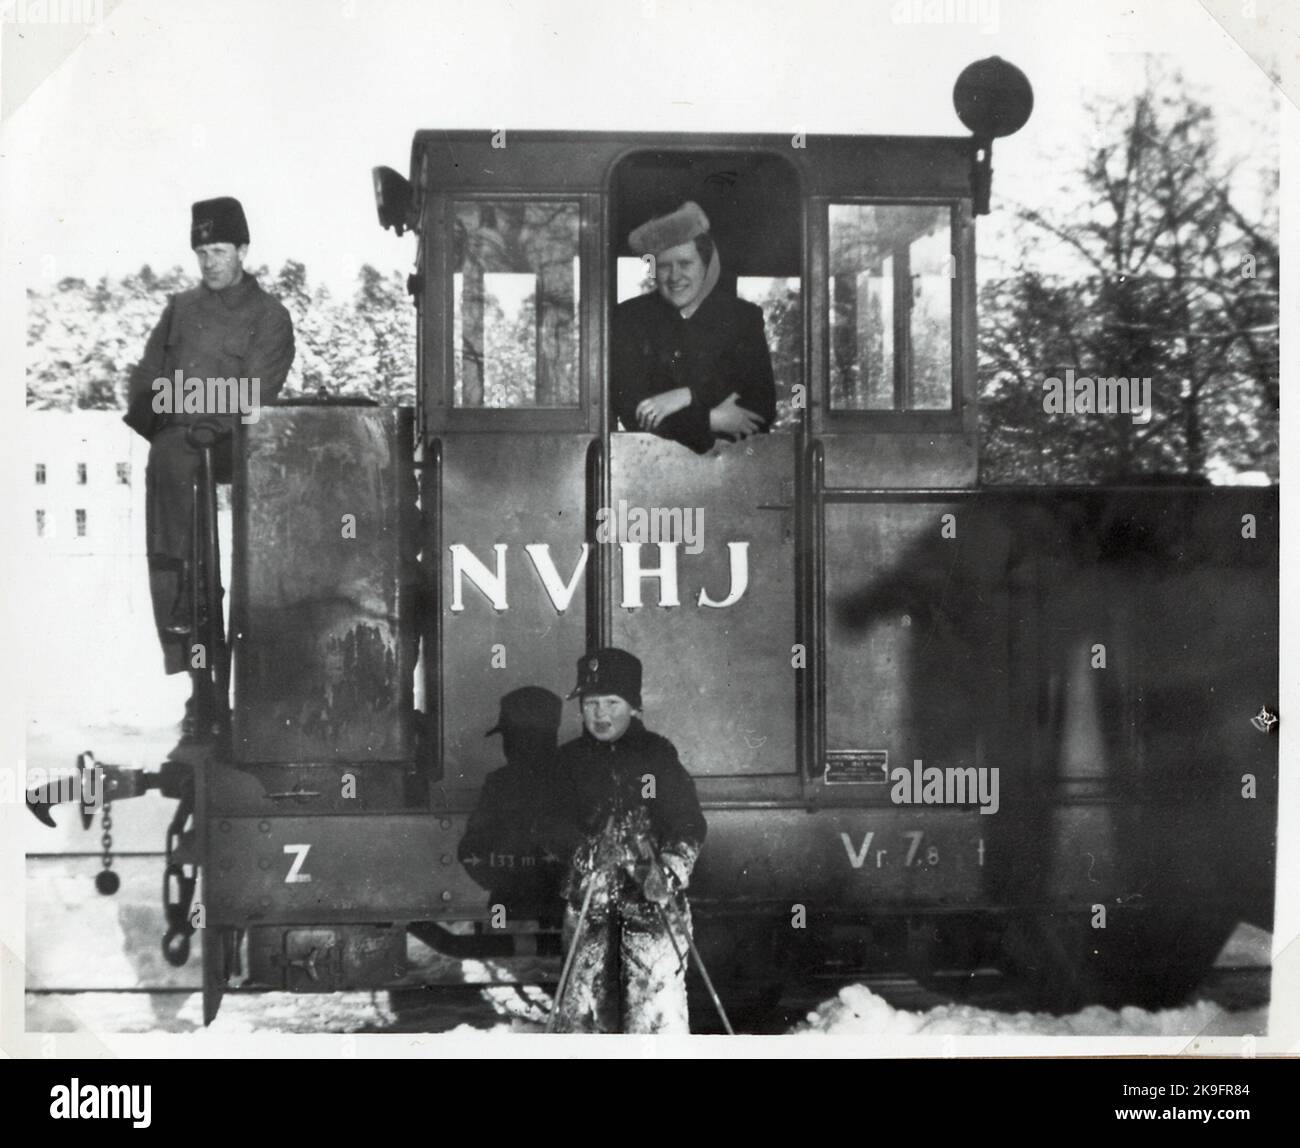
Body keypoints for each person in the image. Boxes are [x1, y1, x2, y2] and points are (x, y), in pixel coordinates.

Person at [123, 197, 295, 739]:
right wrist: (180, 414)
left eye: (218, 249)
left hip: (240, 449)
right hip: (181, 451)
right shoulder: (179, 310)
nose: (209, 261)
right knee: (182, 566)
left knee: (252, 575)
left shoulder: (269, 316)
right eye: (201, 251)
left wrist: (200, 413)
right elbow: (146, 383)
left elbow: (257, 392)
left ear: (243, 249)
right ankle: (200, 682)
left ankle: (248, 689)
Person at [548, 647, 707, 1033]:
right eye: (591, 703)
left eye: (612, 702)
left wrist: (669, 871)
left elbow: (688, 822)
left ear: (633, 707)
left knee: (654, 1017)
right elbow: (549, 824)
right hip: (590, 908)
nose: (600, 714)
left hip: (651, 910)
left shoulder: (657, 755)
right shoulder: (567, 761)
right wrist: (582, 852)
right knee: (586, 1016)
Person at [611, 200, 777, 455]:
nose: (674, 276)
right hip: (650, 469)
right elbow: (634, 412)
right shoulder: (630, 319)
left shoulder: (743, 318)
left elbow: (759, 410)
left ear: (706, 263)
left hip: (732, 470)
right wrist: (711, 419)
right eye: (665, 266)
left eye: (685, 263)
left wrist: (687, 395)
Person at [458, 687, 567, 927]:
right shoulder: (574, 778)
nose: (506, 746)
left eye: (509, 736)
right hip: (564, 914)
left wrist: (502, 879)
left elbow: (470, 851)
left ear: (520, 739)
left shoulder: (500, 784)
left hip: (510, 911)